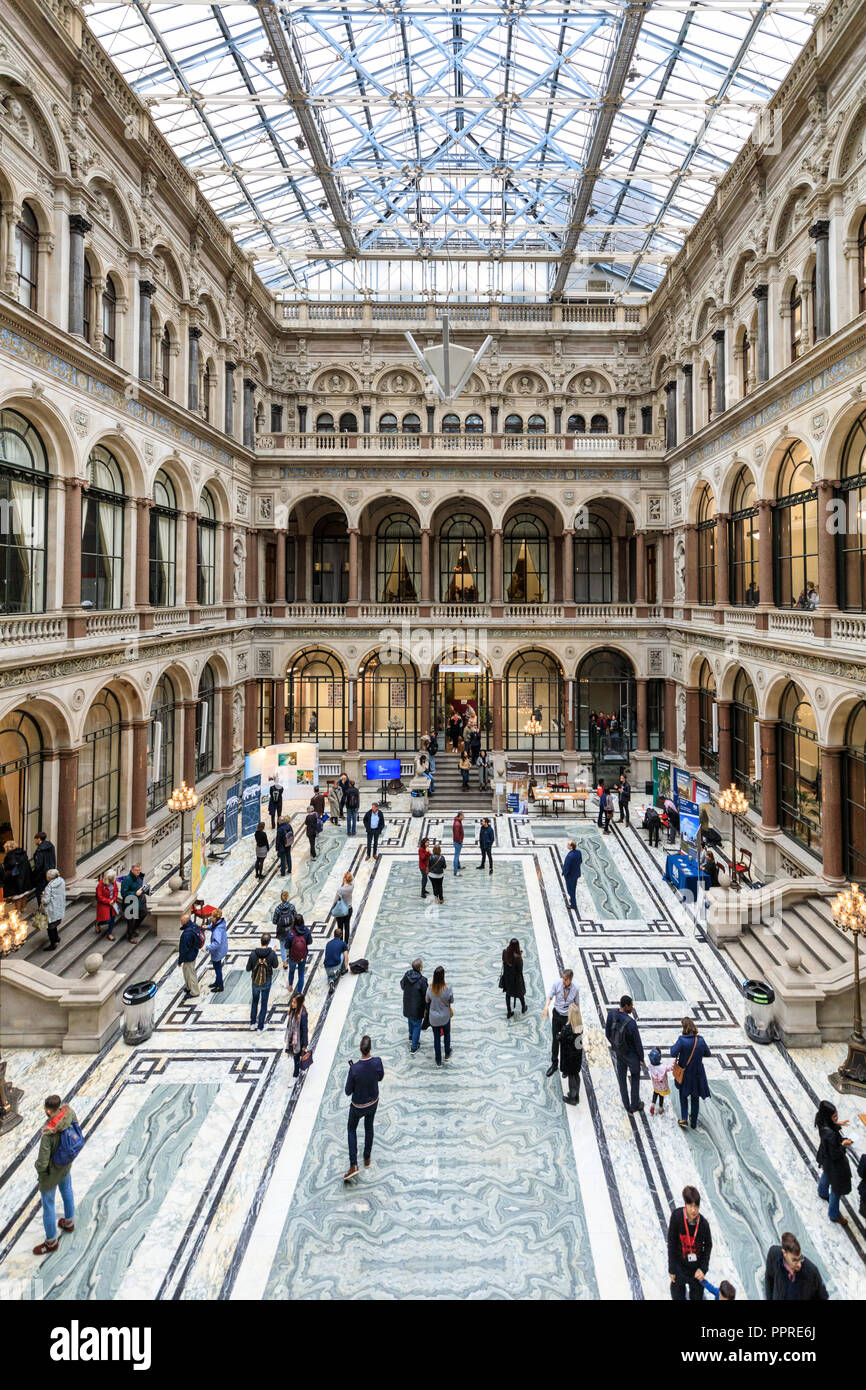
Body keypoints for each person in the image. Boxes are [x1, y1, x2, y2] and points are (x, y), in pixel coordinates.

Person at [32, 1094, 80, 1256]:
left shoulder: (48, 1134)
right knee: (67, 1190)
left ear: (48, 1110)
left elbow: (43, 1163)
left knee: (48, 1205)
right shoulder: (69, 1113)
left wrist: (38, 1169)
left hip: (52, 1172)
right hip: (66, 1163)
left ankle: (51, 1242)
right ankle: (69, 1222)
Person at [344, 1035, 384, 1180]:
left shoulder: (354, 1069)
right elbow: (380, 1077)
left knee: (351, 1129)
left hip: (357, 1106)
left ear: (360, 1049)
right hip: (373, 1102)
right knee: (369, 1127)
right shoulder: (377, 1062)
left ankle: (353, 1164)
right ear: (370, 1048)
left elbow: (348, 1091)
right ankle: (367, 1157)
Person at [667, 1185, 713, 1301]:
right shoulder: (677, 1217)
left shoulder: (703, 1225)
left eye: (696, 1206)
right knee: (677, 1295)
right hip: (679, 1267)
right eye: (691, 1206)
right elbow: (671, 1243)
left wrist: (703, 1268)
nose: (694, 1210)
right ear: (685, 1204)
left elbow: (708, 1246)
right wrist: (672, 1268)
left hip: (696, 1270)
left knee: (697, 1297)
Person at [815, 1099, 853, 1226]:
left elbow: (829, 1127)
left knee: (826, 1173)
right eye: (834, 1116)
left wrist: (837, 1123)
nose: (837, 1117)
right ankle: (834, 1214)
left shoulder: (821, 1120)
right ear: (828, 1116)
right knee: (836, 1190)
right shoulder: (830, 1135)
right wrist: (843, 1144)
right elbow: (836, 1153)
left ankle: (822, 1192)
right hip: (834, 1163)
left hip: (826, 1159)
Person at [605, 994, 645, 1114]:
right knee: (635, 1078)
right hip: (631, 1055)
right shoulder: (631, 1023)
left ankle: (626, 1104)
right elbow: (637, 1043)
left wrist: (615, 1045)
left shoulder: (611, 1015)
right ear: (626, 1005)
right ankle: (634, 1105)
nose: (632, 1008)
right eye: (631, 1005)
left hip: (619, 1052)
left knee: (622, 1078)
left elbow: (607, 1033)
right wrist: (641, 1058)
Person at [670, 1016, 712, 1129]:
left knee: (683, 1095)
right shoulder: (701, 1040)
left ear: (684, 1028)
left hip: (685, 1074)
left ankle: (684, 1118)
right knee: (695, 1097)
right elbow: (708, 1053)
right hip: (698, 1074)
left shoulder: (682, 1040)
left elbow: (673, 1053)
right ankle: (693, 1122)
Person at [764, 1233, 829, 1301]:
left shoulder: (811, 1271)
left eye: (800, 1258)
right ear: (784, 1253)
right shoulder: (774, 1254)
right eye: (794, 1260)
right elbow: (769, 1278)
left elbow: (823, 1296)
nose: (799, 1265)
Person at [543, 967, 579, 1076]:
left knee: (566, 1042)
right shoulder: (557, 983)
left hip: (567, 1018)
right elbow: (549, 996)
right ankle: (554, 1064)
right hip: (557, 1015)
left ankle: (565, 1067)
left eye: (565, 980)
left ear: (570, 980)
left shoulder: (576, 989)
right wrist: (546, 1008)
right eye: (562, 978)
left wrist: (573, 1022)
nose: (563, 981)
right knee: (555, 1040)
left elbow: (576, 1005)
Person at [246, 932, 278, 1030]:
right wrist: (274, 953)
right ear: (268, 942)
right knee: (264, 1003)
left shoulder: (253, 954)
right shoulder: (271, 953)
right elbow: (275, 965)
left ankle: (252, 1024)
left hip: (255, 981)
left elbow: (248, 968)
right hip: (266, 981)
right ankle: (260, 1027)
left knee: (255, 1002)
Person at [426, 965, 453, 1067]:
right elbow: (452, 1000)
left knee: (436, 1038)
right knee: (447, 1034)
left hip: (434, 1018)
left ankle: (438, 1060)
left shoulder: (430, 988)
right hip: (445, 1017)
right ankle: (447, 1053)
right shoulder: (448, 988)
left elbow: (427, 1000)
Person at [401, 956, 428, 1053]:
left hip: (407, 1004)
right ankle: (414, 1047)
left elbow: (402, 985)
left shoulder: (407, 975)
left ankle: (411, 1036)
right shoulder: (422, 980)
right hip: (417, 1007)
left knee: (410, 1020)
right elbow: (426, 995)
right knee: (417, 1025)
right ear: (420, 968)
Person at [559, 1002, 583, 1105]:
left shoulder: (567, 1029)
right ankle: (576, 1095)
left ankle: (572, 1098)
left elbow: (562, 1040)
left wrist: (559, 1036)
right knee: (576, 1075)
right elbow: (578, 1044)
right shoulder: (579, 1028)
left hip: (569, 1057)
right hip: (577, 1056)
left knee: (571, 1077)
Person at [119, 863, 148, 944]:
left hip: (139, 901)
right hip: (130, 903)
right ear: (132, 870)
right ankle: (130, 936)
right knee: (131, 920)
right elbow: (124, 893)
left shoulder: (139, 876)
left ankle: (134, 928)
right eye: (136, 870)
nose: (138, 872)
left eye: (139, 870)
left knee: (143, 913)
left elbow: (139, 886)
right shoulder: (127, 879)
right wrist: (135, 893)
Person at [41, 868, 66, 952]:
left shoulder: (49, 887)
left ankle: (53, 943)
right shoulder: (61, 881)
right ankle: (57, 938)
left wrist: (42, 897)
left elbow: (46, 901)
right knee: (54, 924)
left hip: (51, 909)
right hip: (59, 907)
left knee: (50, 927)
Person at [500, 937, 526, 1018]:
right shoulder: (517, 958)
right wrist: (521, 957)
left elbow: (503, 962)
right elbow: (520, 969)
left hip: (507, 979)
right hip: (516, 980)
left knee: (508, 994)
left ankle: (509, 1012)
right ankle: (523, 1007)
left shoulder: (504, 952)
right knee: (520, 994)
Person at [178, 911, 201, 999]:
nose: (180, 922)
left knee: (190, 974)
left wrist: (180, 961)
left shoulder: (186, 934)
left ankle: (194, 992)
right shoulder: (194, 926)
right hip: (193, 953)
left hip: (189, 957)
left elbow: (184, 950)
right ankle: (189, 987)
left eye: (181, 920)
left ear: (185, 921)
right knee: (186, 971)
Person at [285, 991, 309, 1078]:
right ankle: (301, 1068)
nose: (292, 1004)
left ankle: (295, 1075)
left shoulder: (302, 1015)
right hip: (293, 1039)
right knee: (298, 1056)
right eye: (292, 1002)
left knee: (296, 1058)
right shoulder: (293, 1011)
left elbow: (305, 1030)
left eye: (294, 1002)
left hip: (299, 1041)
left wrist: (305, 1044)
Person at [287, 913, 312, 993]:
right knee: (301, 975)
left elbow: (286, 946)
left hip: (292, 956)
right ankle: (299, 992)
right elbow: (310, 942)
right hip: (303, 956)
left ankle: (290, 985)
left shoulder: (291, 933)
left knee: (291, 971)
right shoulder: (307, 931)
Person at [272, 890, 297, 968]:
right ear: (287, 897)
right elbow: (295, 916)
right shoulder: (291, 907)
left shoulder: (278, 909)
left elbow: (274, 921)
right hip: (290, 929)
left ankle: (285, 963)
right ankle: (289, 954)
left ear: (281, 898)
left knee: (282, 946)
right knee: (290, 943)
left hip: (282, 931)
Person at [3, 839, 31, 904]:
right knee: (23, 894)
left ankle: (17, 911)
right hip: (25, 877)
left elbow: (12, 864)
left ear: (8, 848)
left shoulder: (10, 855)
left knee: (17, 896)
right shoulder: (22, 853)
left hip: (15, 878)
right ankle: (22, 909)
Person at [648, 1046, 674, 1116]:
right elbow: (671, 1067)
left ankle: (652, 1105)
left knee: (655, 1093)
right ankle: (660, 1108)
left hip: (656, 1085)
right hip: (662, 1086)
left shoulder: (650, 1066)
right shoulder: (663, 1067)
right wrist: (674, 1062)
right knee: (661, 1096)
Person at [31, 830, 56, 905]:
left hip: (42, 874)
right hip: (50, 873)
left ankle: (42, 908)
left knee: (39, 891)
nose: (34, 841)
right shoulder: (50, 846)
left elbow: (39, 865)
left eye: (35, 839)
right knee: (48, 891)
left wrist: (34, 874)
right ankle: (48, 907)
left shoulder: (40, 849)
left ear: (38, 839)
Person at [207, 909, 228, 992]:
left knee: (217, 968)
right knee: (217, 967)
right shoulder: (221, 923)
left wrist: (207, 947)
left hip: (218, 951)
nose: (211, 918)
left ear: (215, 918)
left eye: (212, 917)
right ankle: (217, 982)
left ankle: (220, 986)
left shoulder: (218, 930)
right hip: (222, 949)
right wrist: (208, 927)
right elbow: (214, 927)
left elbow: (217, 943)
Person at [330, 870, 354, 943]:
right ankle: (346, 942)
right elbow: (352, 879)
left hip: (341, 910)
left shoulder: (340, 890)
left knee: (340, 927)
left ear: (344, 879)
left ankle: (340, 942)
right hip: (349, 909)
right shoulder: (352, 886)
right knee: (347, 926)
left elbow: (335, 900)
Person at [324, 925, 349, 992]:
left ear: (334, 935)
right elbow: (346, 957)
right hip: (336, 966)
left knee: (330, 976)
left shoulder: (328, 943)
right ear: (341, 936)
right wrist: (346, 968)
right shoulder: (343, 943)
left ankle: (331, 983)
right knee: (342, 954)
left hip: (327, 966)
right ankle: (343, 972)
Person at [562, 840, 582, 910]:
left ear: (571, 846)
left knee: (570, 890)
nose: (567, 845)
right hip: (576, 874)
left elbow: (566, 866)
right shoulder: (579, 852)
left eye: (568, 844)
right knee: (573, 888)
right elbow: (580, 861)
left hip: (570, 875)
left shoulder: (570, 856)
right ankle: (572, 899)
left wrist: (565, 874)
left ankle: (573, 904)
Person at [452, 811, 465, 876]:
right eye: (463, 815)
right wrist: (460, 841)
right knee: (456, 856)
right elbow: (457, 835)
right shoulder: (457, 824)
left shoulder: (458, 821)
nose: (464, 817)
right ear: (460, 816)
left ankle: (458, 866)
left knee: (457, 854)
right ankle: (455, 871)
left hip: (457, 841)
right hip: (457, 842)